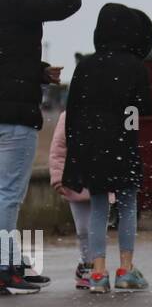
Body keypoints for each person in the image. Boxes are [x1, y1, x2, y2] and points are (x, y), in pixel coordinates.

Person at [0, 0, 80, 294]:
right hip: (13, 118)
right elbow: (69, 2)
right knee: (8, 195)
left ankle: (14, 262)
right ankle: (5, 267)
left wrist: (36, 71)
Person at [62, 3, 152, 292]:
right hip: (122, 145)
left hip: (91, 147)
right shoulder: (135, 66)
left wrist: (78, 150)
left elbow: (73, 111)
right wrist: (127, 125)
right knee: (127, 205)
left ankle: (98, 272)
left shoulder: (85, 65)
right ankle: (126, 269)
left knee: (99, 206)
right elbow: (143, 109)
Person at [49, 109, 92, 288]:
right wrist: (58, 177)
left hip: (99, 181)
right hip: (76, 181)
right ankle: (86, 263)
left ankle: (94, 265)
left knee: (95, 230)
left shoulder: (106, 112)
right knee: (83, 230)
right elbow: (58, 149)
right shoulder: (67, 116)